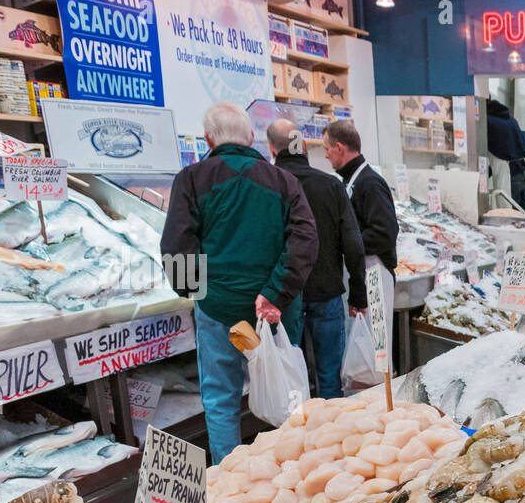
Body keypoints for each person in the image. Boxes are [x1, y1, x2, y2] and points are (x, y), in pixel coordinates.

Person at [161, 102, 317, 464]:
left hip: (219, 310)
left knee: (221, 398)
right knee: (287, 391)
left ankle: (230, 482)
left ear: (208, 139)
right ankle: (294, 470)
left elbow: (176, 243)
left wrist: (192, 291)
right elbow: (306, 239)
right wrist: (275, 292)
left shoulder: (192, 178)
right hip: (276, 312)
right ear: (250, 137)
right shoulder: (283, 180)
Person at [267, 118, 366, 400]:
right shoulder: (331, 186)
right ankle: (332, 438)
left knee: (290, 379)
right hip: (327, 294)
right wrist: (358, 295)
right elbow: (354, 244)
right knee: (329, 377)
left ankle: (297, 438)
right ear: (304, 149)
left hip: (285, 297)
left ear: (273, 151)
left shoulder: (267, 186)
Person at [322, 120, 398, 276]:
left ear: (339, 148)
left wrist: (344, 242)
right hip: (361, 270)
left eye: (327, 149)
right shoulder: (349, 179)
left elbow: (384, 233)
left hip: (376, 273)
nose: (325, 155)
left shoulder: (370, 183)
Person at [485, 98, 525, 211]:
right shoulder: (511, 120)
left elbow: (494, 154)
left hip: (510, 175)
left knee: (511, 218)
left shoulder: (486, 122)